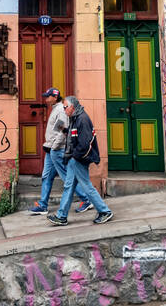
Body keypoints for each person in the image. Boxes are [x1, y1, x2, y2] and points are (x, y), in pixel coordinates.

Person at [47, 96, 113, 226]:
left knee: (86, 186)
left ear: (72, 107)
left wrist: (74, 156)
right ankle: (61, 216)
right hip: (75, 158)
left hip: (79, 159)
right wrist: (65, 130)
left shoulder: (82, 119)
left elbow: (85, 144)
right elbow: (76, 136)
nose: (64, 109)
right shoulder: (75, 118)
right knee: (69, 186)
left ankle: (105, 211)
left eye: (66, 107)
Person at [30, 88, 87, 215]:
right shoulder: (56, 109)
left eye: (48, 96)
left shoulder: (61, 110)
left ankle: (86, 199)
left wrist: (54, 146)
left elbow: (62, 131)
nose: (45, 98)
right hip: (51, 149)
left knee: (66, 177)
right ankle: (43, 205)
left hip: (57, 149)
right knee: (46, 176)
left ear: (54, 97)